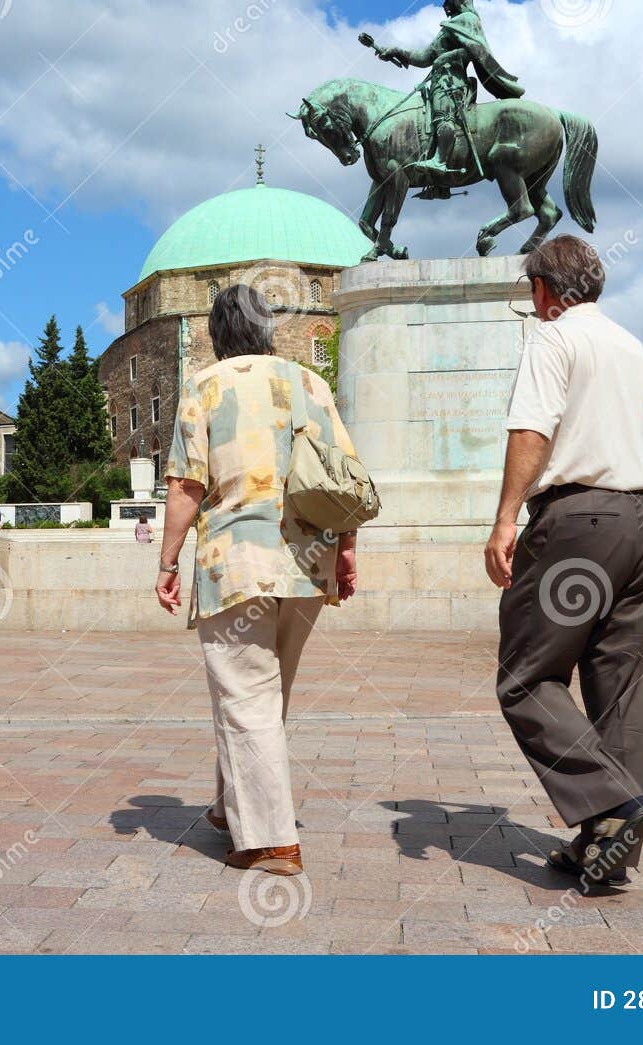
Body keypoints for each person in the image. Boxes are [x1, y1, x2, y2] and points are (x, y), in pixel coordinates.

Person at [157, 285, 358, 878]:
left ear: (217, 333)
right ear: (267, 328)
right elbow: (344, 475)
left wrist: (167, 562)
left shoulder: (204, 386)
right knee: (265, 694)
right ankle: (231, 807)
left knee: (246, 696)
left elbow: (187, 486)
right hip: (307, 559)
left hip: (237, 563)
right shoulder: (311, 384)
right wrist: (347, 551)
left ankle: (271, 842)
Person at [483, 236, 643, 891]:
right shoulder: (629, 343)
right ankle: (605, 849)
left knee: (526, 676)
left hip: (578, 522)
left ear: (543, 289)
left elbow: (532, 429)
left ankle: (612, 803)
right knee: (622, 687)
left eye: (531, 290)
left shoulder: (552, 337)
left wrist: (506, 516)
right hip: (641, 522)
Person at [358, 0, 523, 185]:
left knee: (443, 116)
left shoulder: (468, 19)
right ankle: (437, 182)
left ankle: (440, 161)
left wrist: (449, 56)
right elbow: (424, 58)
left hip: (451, 82)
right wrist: (397, 51)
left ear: (459, 0)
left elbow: (476, 51)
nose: (444, 5)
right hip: (438, 81)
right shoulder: (449, 27)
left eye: (448, 0)